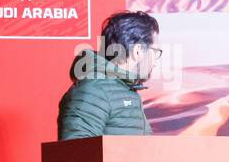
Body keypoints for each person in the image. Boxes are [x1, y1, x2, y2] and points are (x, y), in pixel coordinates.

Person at [57, 10, 161, 140]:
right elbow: (76, 151)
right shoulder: (93, 90)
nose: (156, 59)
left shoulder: (125, 89)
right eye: (155, 52)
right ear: (138, 51)